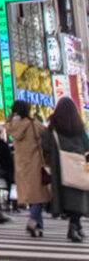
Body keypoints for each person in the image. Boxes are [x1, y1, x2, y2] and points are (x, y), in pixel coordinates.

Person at [42, 97, 89, 243]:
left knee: (66, 199)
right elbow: (87, 147)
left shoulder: (53, 128)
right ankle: (75, 226)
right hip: (78, 167)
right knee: (79, 198)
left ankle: (75, 226)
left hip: (60, 170)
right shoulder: (79, 128)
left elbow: (46, 146)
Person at [6, 99, 51, 238]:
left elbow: (7, 126)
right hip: (36, 163)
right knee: (39, 195)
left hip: (21, 165)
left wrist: (11, 116)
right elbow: (46, 135)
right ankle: (32, 221)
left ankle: (39, 226)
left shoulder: (13, 126)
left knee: (31, 196)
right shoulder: (34, 124)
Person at [0, 125, 15, 211]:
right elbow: (8, 160)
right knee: (12, 181)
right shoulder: (3, 145)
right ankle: (10, 202)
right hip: (4, 171)